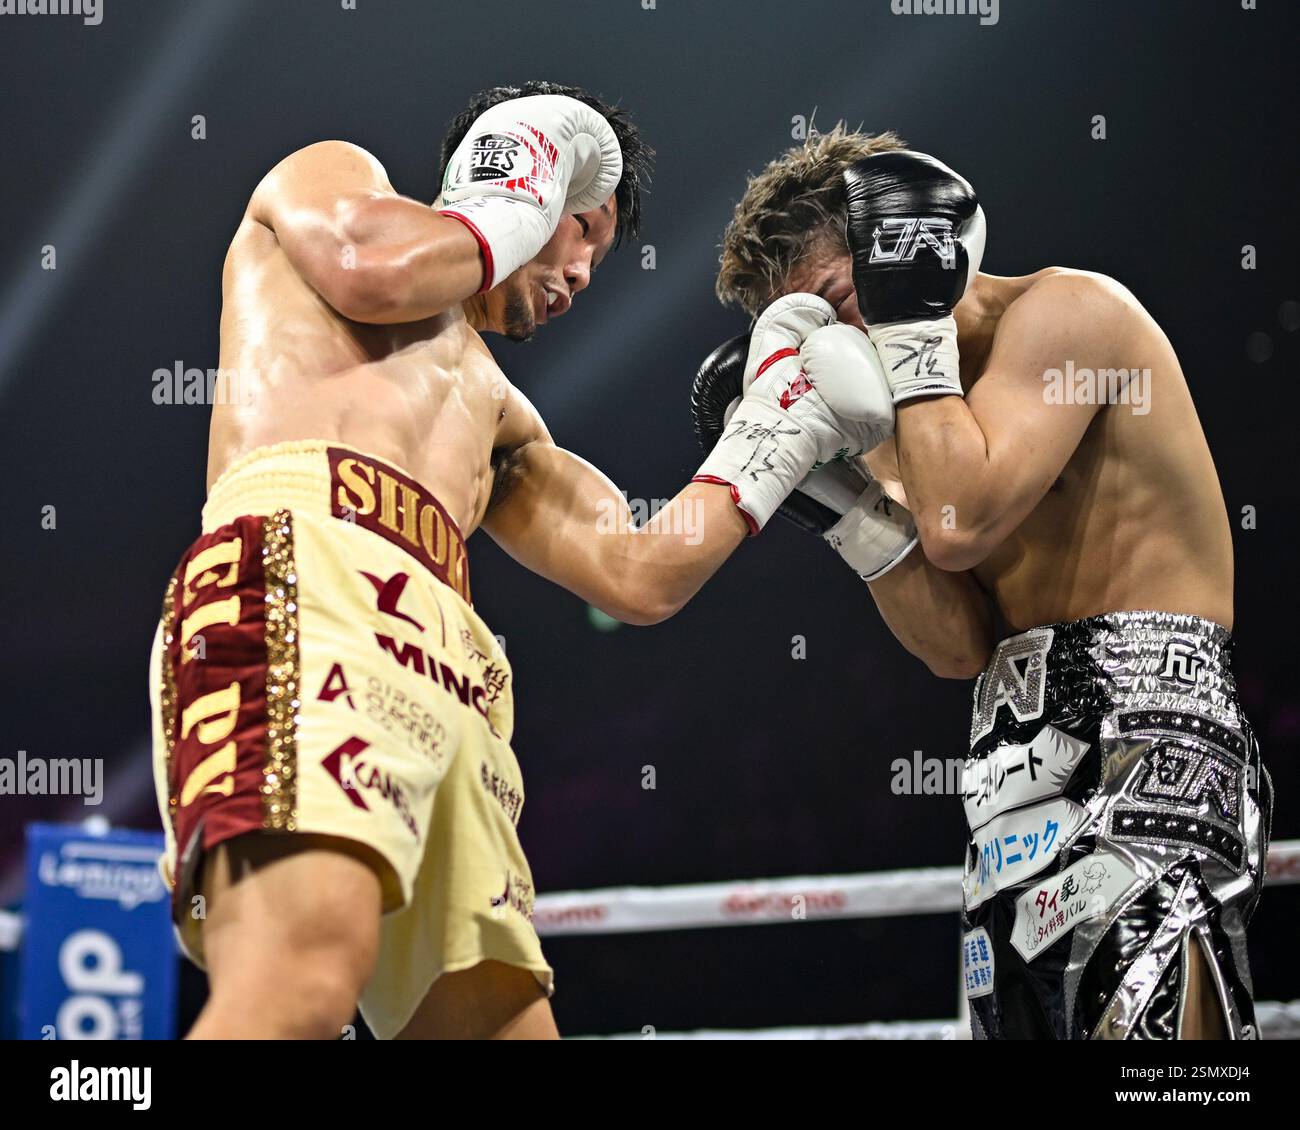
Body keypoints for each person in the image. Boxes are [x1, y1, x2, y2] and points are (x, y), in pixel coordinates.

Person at [150, 83, 896, 1040]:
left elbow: (637, 573)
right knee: (300, 987)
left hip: (450, 669)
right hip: (305, 578)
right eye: (584, 227)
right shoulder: (331, 181)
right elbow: (368, 266)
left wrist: (771, 435)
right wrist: (519, 195)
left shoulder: (500, 415)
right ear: (524, 176)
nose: (586, 270)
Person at [705, 125, 1272, 1039]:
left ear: (910, 250)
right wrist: (846, 510)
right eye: (808, 327)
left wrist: (910, 326)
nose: (842, 338)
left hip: (1148, 740)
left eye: (844, 299)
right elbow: (962, 645)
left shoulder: (1070, 314)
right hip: (1010, 767)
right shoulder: (903, 425)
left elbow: (960, 525)